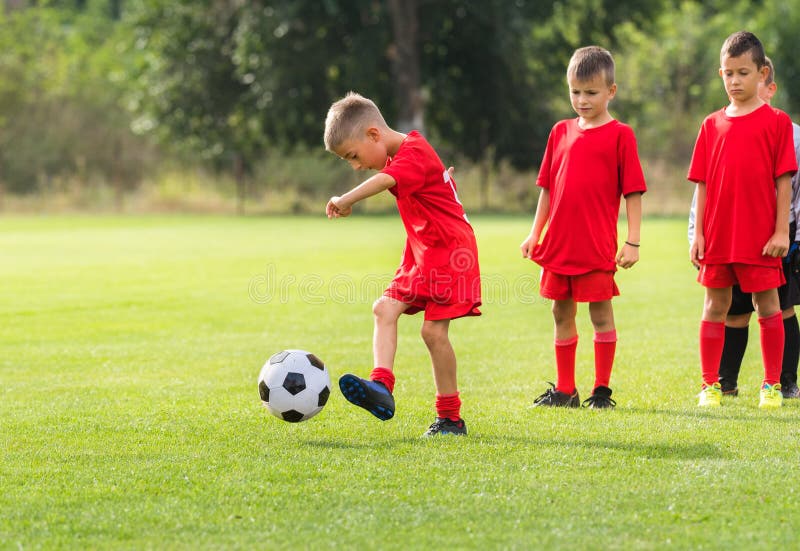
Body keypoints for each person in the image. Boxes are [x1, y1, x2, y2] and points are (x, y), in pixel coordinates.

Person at [323, 92, 481, 437]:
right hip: (423, 252)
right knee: (383, 309)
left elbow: (385, 180)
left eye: (353, 155)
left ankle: (451, 419)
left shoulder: (412, 151)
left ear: (374, 135)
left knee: (433, 332)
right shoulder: (406, 156)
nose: (356, 165)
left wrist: (343, 198)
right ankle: (381, 388)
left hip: (450, 253)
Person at [520, 46, 646, 409]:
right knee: (561, 312)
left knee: (601, 314)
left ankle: (601, 390)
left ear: (611, 91)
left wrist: (632, 241)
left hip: (595, 245)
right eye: (575, 91)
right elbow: (546, 190)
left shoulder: (621, 135)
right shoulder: (559, 131)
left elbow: (633, 193)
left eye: (591, 92)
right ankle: (565, 390)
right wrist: (534, 233)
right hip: (559, 245)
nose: (582, 99)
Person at [688, 31, 797, 408]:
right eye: (728, 73)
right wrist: (698, 234)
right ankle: (710, 385)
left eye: (743, 73)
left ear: (762, 73)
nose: (734, 81)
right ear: (720, 74)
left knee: (767, 306)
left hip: (760, 237)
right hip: (718, 237)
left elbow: (784, 181)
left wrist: (782, 229)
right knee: (714, 307)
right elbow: (701, 185)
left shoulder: (778, 122)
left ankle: (770, 385)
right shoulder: (710, 125)